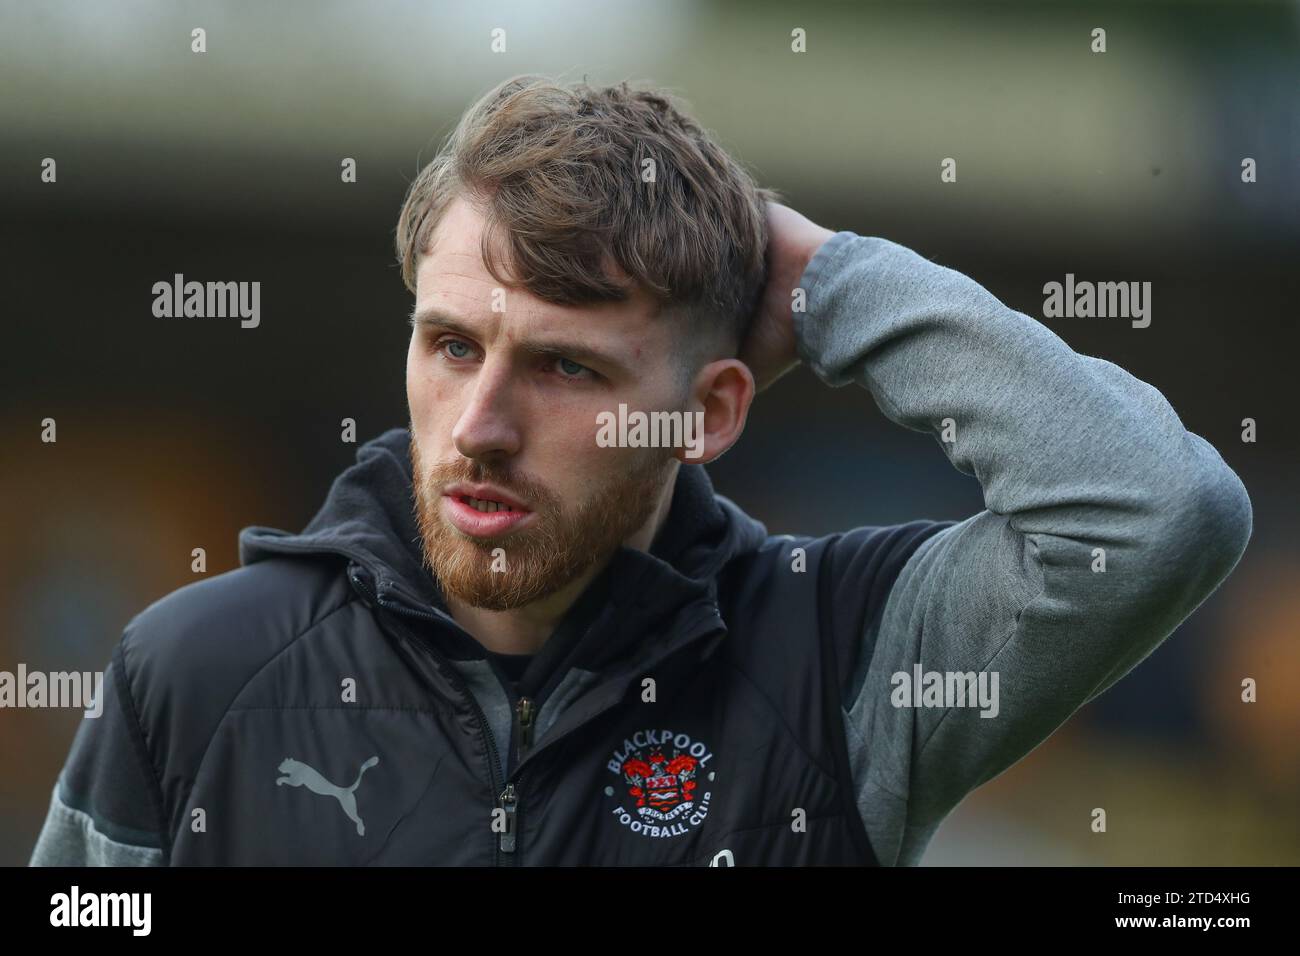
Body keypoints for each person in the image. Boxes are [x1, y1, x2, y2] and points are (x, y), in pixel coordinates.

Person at [30, 74, 1251, 866]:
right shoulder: (196, 668)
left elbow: (1158, 510)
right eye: (451, 345)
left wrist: (825, 279)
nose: (480, 424)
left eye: (565, 367)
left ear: (708, 413)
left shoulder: (839, 661)